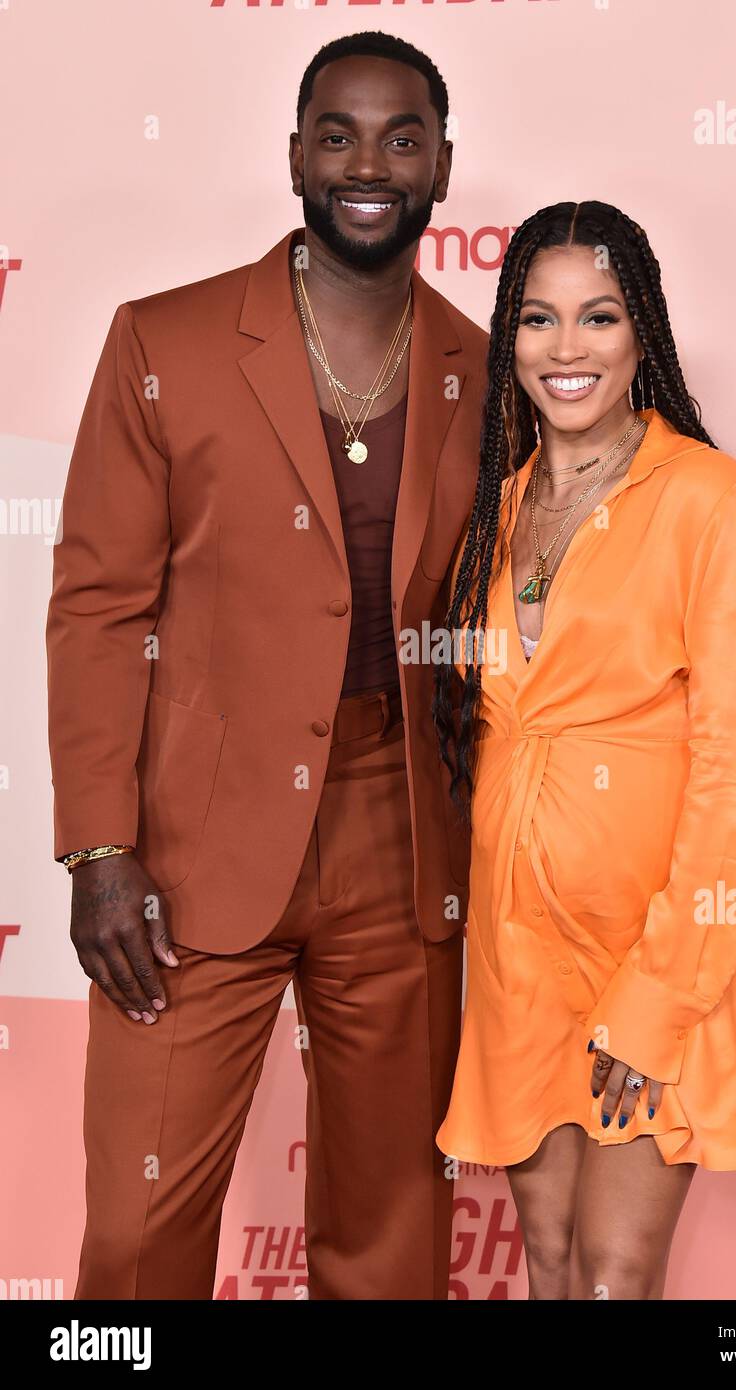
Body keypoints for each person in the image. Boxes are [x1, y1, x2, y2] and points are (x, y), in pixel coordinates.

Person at [46, 30, 487, 1301]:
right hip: (186, 842)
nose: (368, 163)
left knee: (392, 1238)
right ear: (294, 154)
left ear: (442, 167)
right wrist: (97, 846)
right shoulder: (162, 341)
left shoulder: (482, 367)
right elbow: (95, 606)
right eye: (337, 134)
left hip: (400, 833)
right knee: (133, 1242)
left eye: (400, 137)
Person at [433, 201, 736, 1300]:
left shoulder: (706, 499)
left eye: (598, 317)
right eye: (537, 320)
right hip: (516, 956)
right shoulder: (494, 511)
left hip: (652, 955)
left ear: (643, 332)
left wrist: (656, 999)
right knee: (544, 1264)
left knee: (610, 1274)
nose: (566, 348)